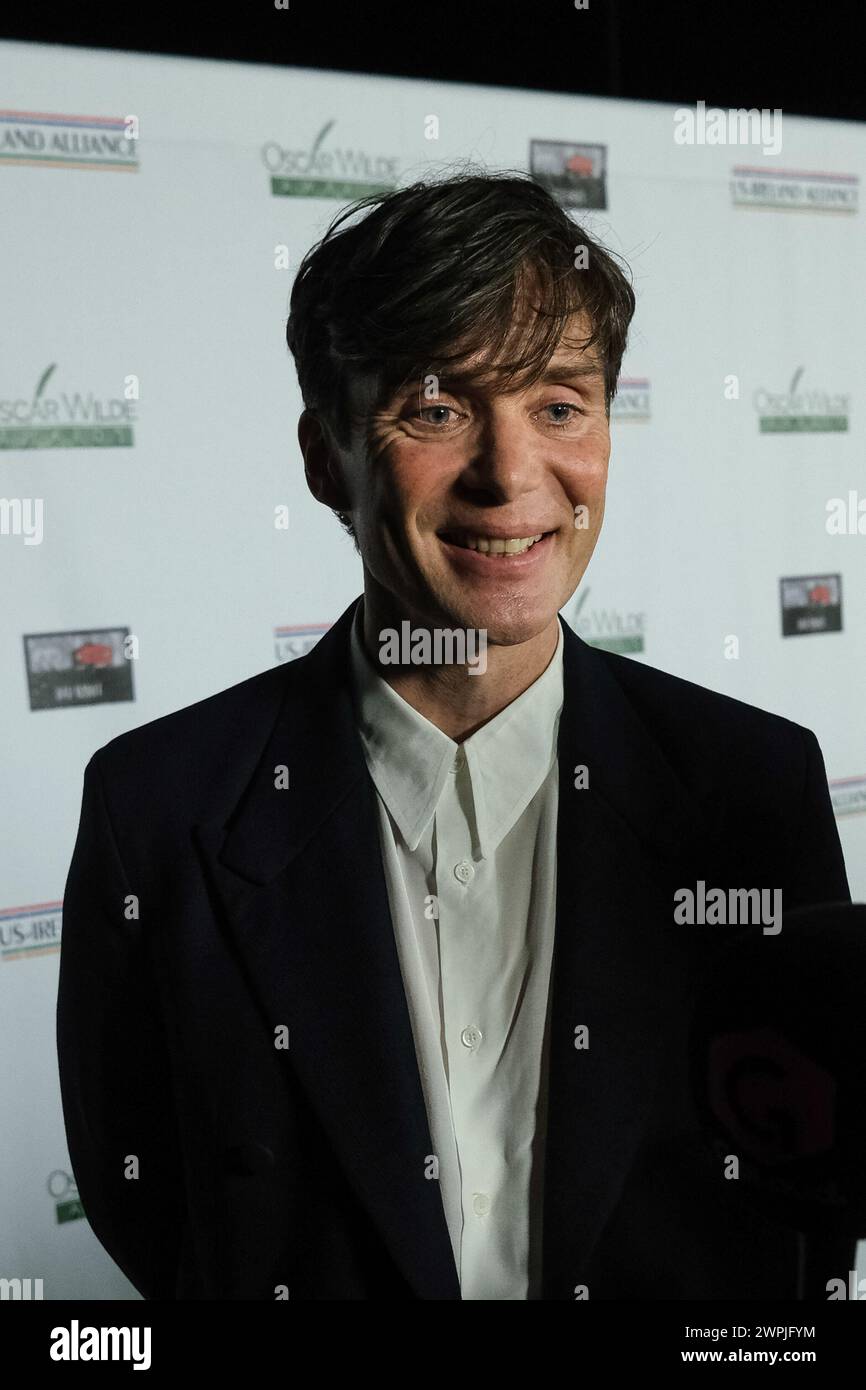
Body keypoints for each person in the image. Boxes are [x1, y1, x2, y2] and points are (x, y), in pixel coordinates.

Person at [57, 171, 852, 1300]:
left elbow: (803, 1207)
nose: (510, 475)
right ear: (326, 455)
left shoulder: (751, 785)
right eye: (435, 410)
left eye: (558, 406)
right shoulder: (159, 808)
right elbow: (150, 1208)